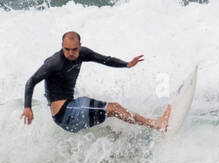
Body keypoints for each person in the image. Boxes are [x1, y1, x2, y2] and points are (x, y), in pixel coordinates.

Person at [21, 31, 168, 132]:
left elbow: (105, 59)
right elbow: (31, 81)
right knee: (114, 108)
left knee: (110, 125)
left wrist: (127, 64)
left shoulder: (82, 53)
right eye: (67, 49)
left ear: (80, 46)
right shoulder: (55, 63)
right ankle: (156, 124)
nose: (71, 53)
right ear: (62, 46)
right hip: (65, 113)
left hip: (73, 107)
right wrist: (27, 107)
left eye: (74, 49)